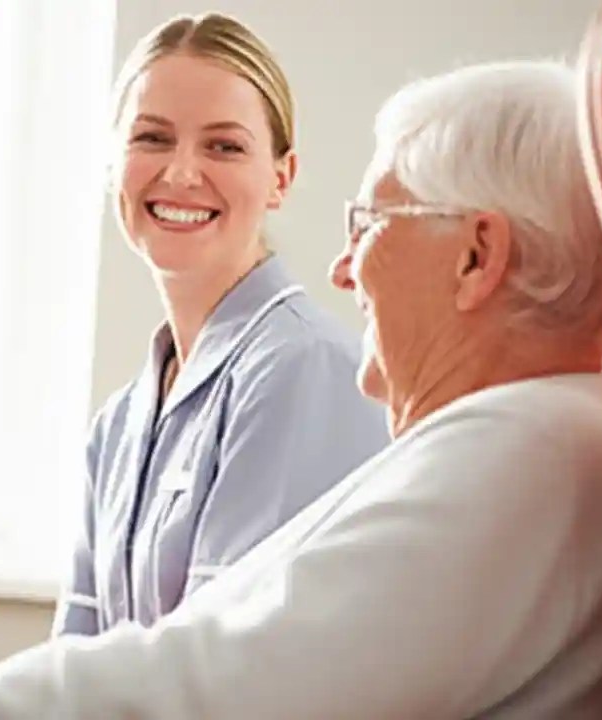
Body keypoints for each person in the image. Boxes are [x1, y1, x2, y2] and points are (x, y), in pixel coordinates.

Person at [0, 58, 602, 720]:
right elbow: (191, 657)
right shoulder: (522, 439)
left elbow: (215, 687)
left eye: (371, 223)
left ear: (477, 255)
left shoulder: (537, 450)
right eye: (149, 138)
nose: (343, 267)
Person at [48, 10, 387, 638]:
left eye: (224, 146)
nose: (180, 173)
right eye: (152, 138)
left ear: (281, 178)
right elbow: (69, 665)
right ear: (112, 164)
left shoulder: (303, 371)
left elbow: (233, 663)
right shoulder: (118, 425)